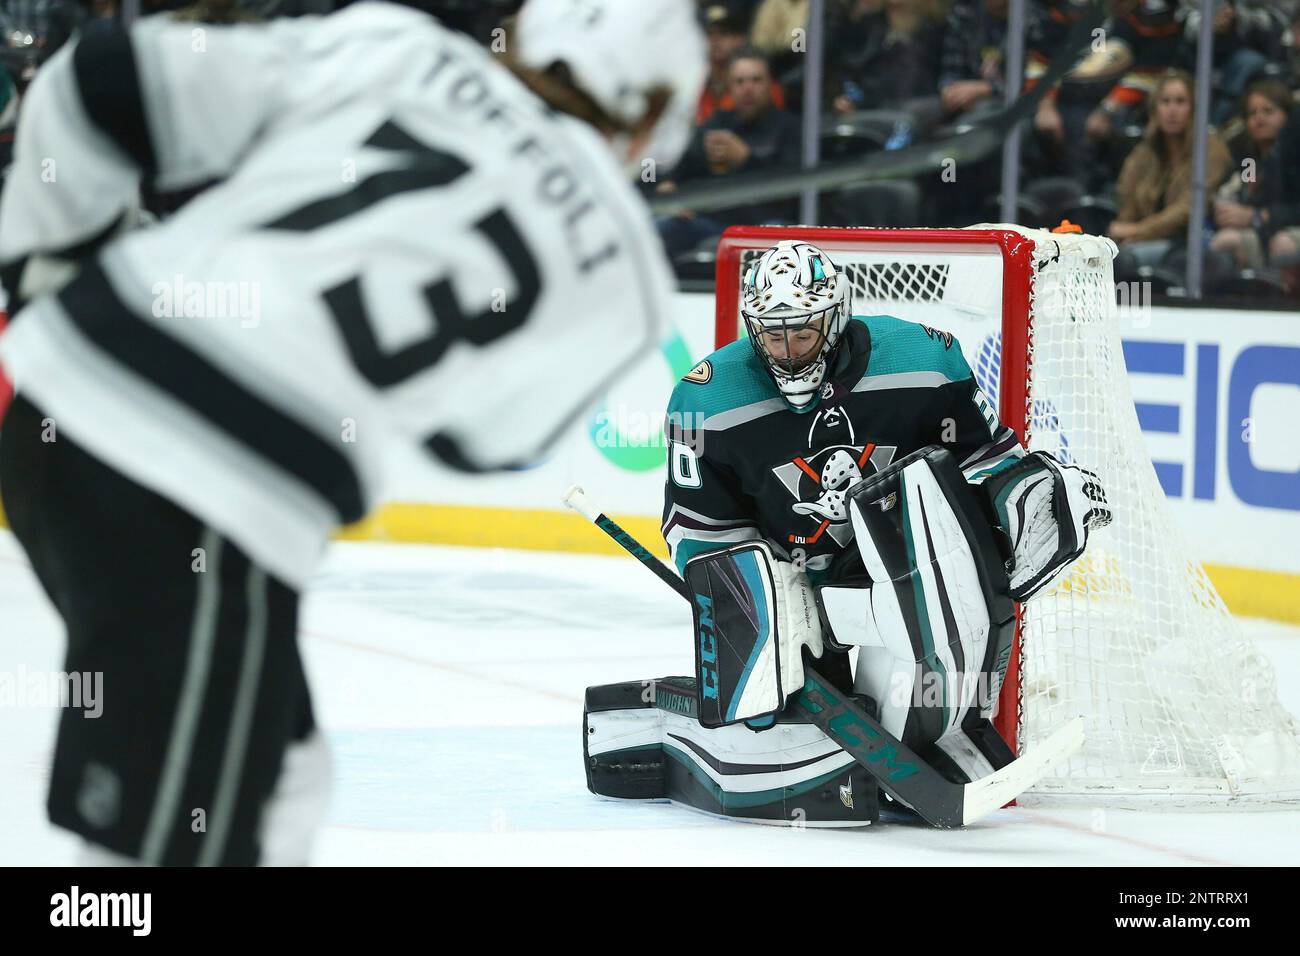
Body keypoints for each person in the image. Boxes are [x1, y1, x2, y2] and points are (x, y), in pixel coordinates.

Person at [0, 0, 706, 866]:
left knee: (287, 782)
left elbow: (99, 79)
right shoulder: (627, 274)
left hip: (52, 404)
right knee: (181, 848)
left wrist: (49, 269)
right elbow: (483, 443)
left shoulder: (396, 45)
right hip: (210, 496)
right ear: (655, 123)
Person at [584, 240, 1109, 824]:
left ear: (835, 319)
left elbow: (983, 463)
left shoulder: (925, 361)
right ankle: (748, 718)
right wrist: (751, 608)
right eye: (772, 334)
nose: (786, 350)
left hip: (892, 564)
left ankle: (933, 738)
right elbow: (697, 525)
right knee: (772, 704)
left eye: (802, 333)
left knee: (938, 627)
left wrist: (1030, 499)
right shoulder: (706, 399)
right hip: (787, 572)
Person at [655, 48, 800, 259]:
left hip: (765, 225)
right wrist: (672, 193)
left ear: (771, 84)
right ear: (730, 88)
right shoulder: (717, 123)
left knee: (776, 234)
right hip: (714, 225)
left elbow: (792, 194)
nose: (747, 88)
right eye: (739, 82)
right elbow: (679, 167)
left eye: (756, 80)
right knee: (662, 226)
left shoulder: (789, 128)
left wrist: (746, 159)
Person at [1109, 68, 1231, 278]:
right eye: (1165, 102)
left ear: (1193, 109)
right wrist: (1123, 233)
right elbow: (1127, 198)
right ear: (1155, 109)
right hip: (1142, 241)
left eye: (1180, 102)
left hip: (1190, 244)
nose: (1172, 110)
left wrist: (1137, 231)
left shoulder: (1210, 149)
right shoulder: (1145, 152)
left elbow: (1189, 208)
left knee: (1125, 260)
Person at [1212, 79, 1294, 271]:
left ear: (1288, 117)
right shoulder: (1249, 160)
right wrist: (1227, 208)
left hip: (1288, 230)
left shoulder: (1294, 157)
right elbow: (1246, 200)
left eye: (1268, 111)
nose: (1259, 119)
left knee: (1283, 244)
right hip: (1261, 232)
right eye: (1252, 113)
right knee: (1222, 241)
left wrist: (1256, 217)